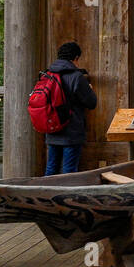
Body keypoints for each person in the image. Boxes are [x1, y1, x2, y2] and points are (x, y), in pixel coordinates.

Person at [44, 41, 97, 175]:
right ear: (76, 58)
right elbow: (92, 103)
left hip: (52, 129)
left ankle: (45, 194)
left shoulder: (47, 75)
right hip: (71, 132)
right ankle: (67, 195)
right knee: (69, 171)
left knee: (51, 168)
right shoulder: (76, 77)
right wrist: (89, 90)